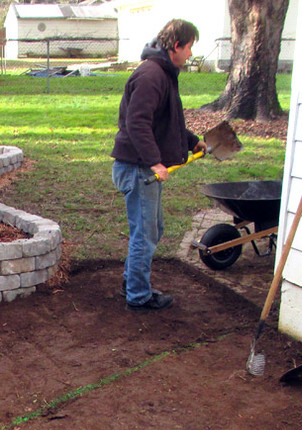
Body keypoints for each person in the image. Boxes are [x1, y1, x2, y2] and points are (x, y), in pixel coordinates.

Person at [112, 19, 206, 310]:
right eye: (189, 46)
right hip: (138, 168)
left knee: (153, 229)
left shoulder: (164, 72)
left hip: (142, 167)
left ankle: (132, 282)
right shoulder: (152, 75)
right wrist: (154, 162)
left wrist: (192, 142)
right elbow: (137, 122)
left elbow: (166, 121)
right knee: (146, 233)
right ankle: (138, 296)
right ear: (176, 45)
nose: (190, 54)